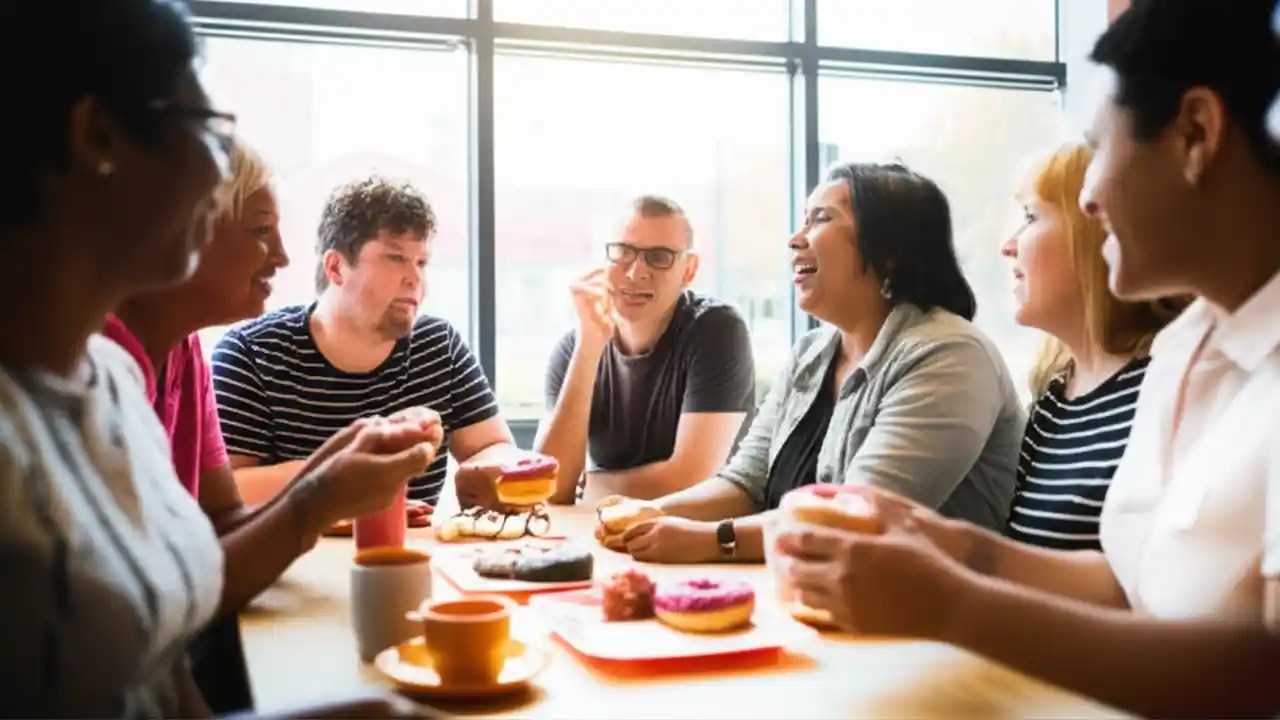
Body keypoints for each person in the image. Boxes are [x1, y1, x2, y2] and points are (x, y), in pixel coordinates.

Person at [771, 1, 1280, 716]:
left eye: (1101, 147)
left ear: (1197, 133)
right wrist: (943, 542)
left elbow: (1266, 672)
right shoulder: (1184, 349)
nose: (1092, 191)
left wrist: (954, 606)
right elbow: (1130, 587)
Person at [0, 1, 436, 716]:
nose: (217, 171)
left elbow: (159, 669)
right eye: (208, 130)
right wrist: (315, 498)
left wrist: (328, 472)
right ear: (97, 135)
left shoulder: (108, 382)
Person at [598, 162, 1025, 564]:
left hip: (922, 624)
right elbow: (746, 484)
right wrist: (650, 513)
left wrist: (716, 540)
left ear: (890, 251)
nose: (795, 238)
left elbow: (855, 518)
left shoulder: (947, 354)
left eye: (821, 219)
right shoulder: (811, 352)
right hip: (815, 599)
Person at [212, 176, 519, 509]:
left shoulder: (439, 346)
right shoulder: (250, 352)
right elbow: (227, 490)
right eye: (395, 258)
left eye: (421, 262)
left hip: (409, 556)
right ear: (336, 268)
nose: (415, 278)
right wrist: (344, 482)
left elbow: (492, 447)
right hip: (299, 556)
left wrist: (487, 470)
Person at [1000, 143, 1185, 550]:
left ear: (1094, 236)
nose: (1008, 245)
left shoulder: (1169, 387)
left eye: (1030, 217)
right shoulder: (1052, 399)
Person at [535, 195, 754, 505]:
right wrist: (588, 349)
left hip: (701, 538)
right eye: (623, 252)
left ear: (689, 271)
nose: (636, 272)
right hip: (608, 533)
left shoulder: (716, 329)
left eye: (659, 256)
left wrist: (588, 484)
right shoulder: (573, 348)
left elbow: (691, 478)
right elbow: (549, 487)